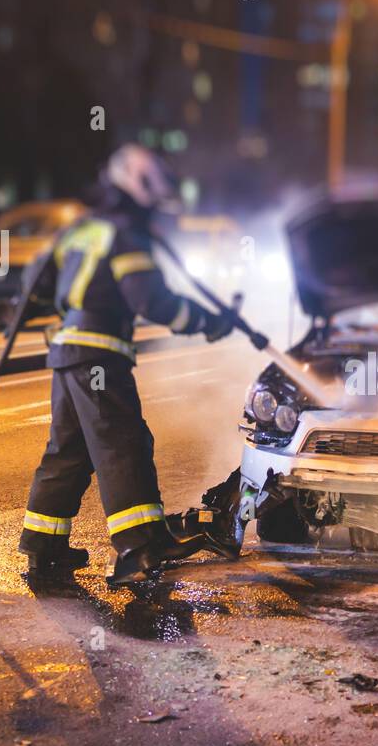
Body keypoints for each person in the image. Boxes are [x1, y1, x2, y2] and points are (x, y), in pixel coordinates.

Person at [18, 145, 238, 589]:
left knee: (70, 451)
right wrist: (207, 322)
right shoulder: (123, 233)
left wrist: (25, 309)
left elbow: (35, 285)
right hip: (99, 354)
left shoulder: (82, 229)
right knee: (124, 444)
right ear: (139, 186)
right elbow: (152, 301)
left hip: (67, 352)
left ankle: (44, 549)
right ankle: (139, 551)